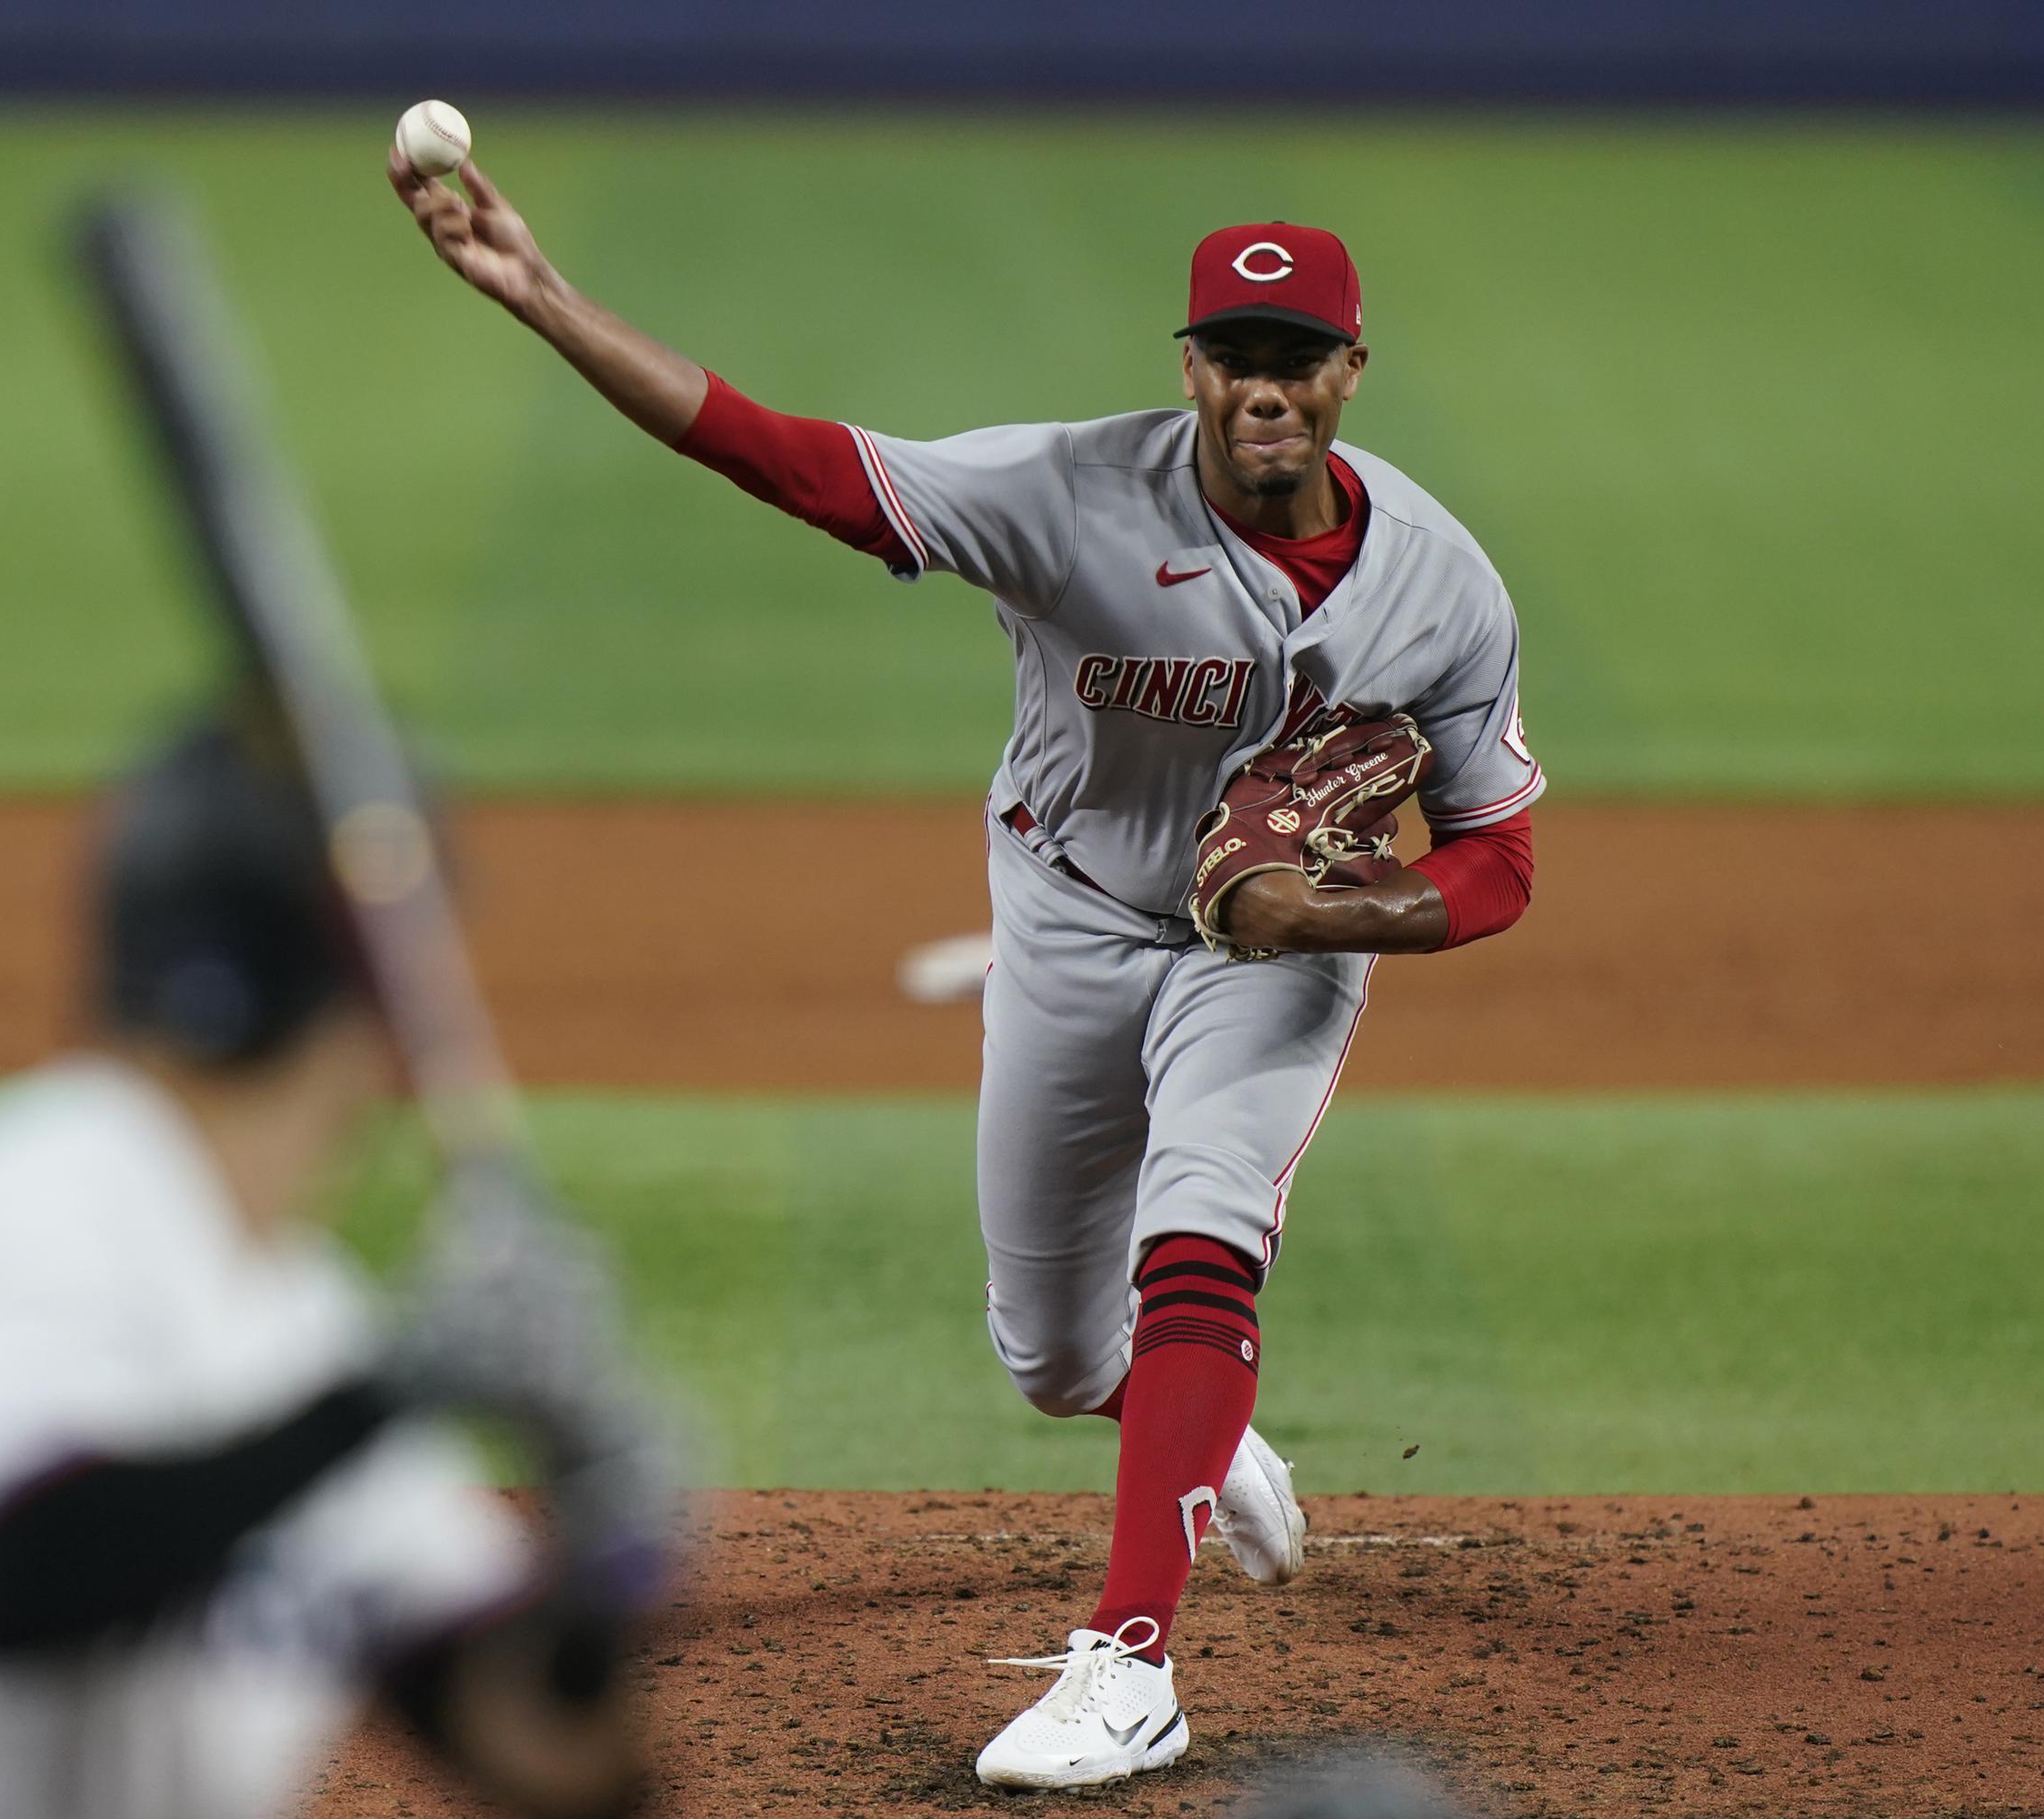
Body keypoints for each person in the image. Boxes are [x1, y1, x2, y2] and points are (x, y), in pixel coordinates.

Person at [390, 155, 1540, 1791]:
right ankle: (1196, 1435)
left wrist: (1340, 922)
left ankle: (1131, 1662)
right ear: (1188, 363)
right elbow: (788, 461)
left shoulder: (1444, 582)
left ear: (1351, 368)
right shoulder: (1065, 493)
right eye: (1234, 354)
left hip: (1262, 964)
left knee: (1206, 1219)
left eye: (1297, 358)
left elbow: (1496, 854)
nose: (1263, 389)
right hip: (1066, 917)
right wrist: (544, 295)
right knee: (1058, 1359)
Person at [0, 717, 651, 1819]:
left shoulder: (297, 1319)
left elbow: (543, 1752)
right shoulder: (41, 1189)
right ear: (390, 998)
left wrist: (604, 1565)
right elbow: (12, 1576)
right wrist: (396, 1392)